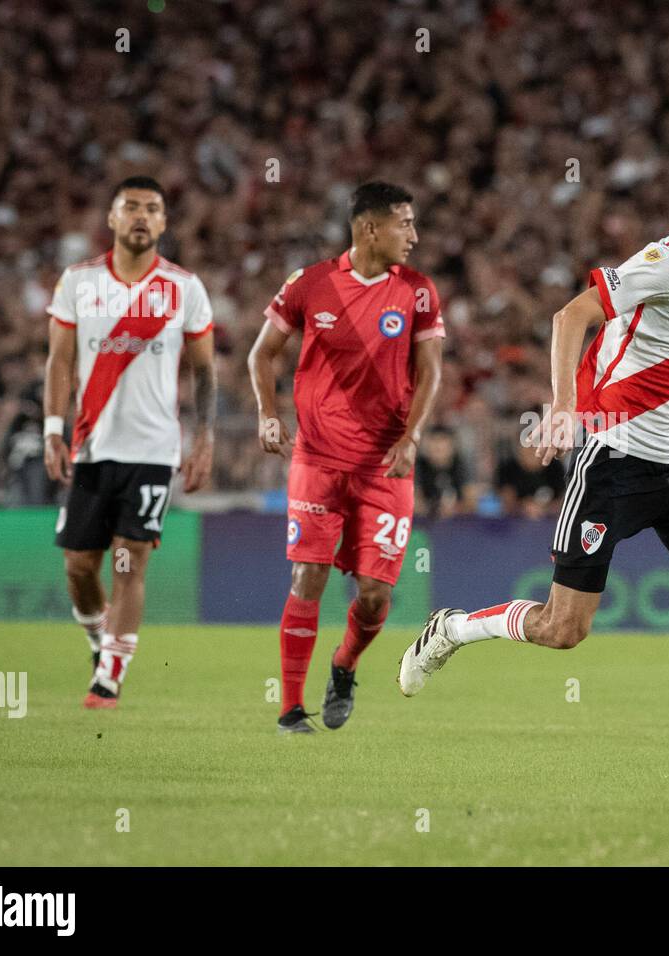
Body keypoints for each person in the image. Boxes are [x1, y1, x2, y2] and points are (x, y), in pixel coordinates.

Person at [397, 142, 669, 792]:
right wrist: (560, 407)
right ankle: (454, 630)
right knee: (563, 631)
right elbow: (571, 313)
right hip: (613, 461)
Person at [248, 182, 445, 734]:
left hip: (385, 465)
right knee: (306, 575)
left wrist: (411, 439)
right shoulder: (308, 284)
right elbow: (261, 354)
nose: (414, 235)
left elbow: (430, 371)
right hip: (317, 459)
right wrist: (268, 413)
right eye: (404, 224)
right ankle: (290, 709)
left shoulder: (418, 291)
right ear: (369, 228)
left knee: (376, 596)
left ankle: (345, 665)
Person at [44, 176, 216, 709]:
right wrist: (53, 428)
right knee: (78, 567)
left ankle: (110, 677)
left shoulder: (183, 288)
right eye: (131, 207)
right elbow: (60, 361)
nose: (142, 216)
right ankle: (101, 640)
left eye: (153, 209)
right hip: (93, 444)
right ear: (112, 218)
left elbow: (205, 371)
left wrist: (204, 437)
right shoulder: (78, 281)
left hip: (153, 450)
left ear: (164, 223)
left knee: (130, 560)